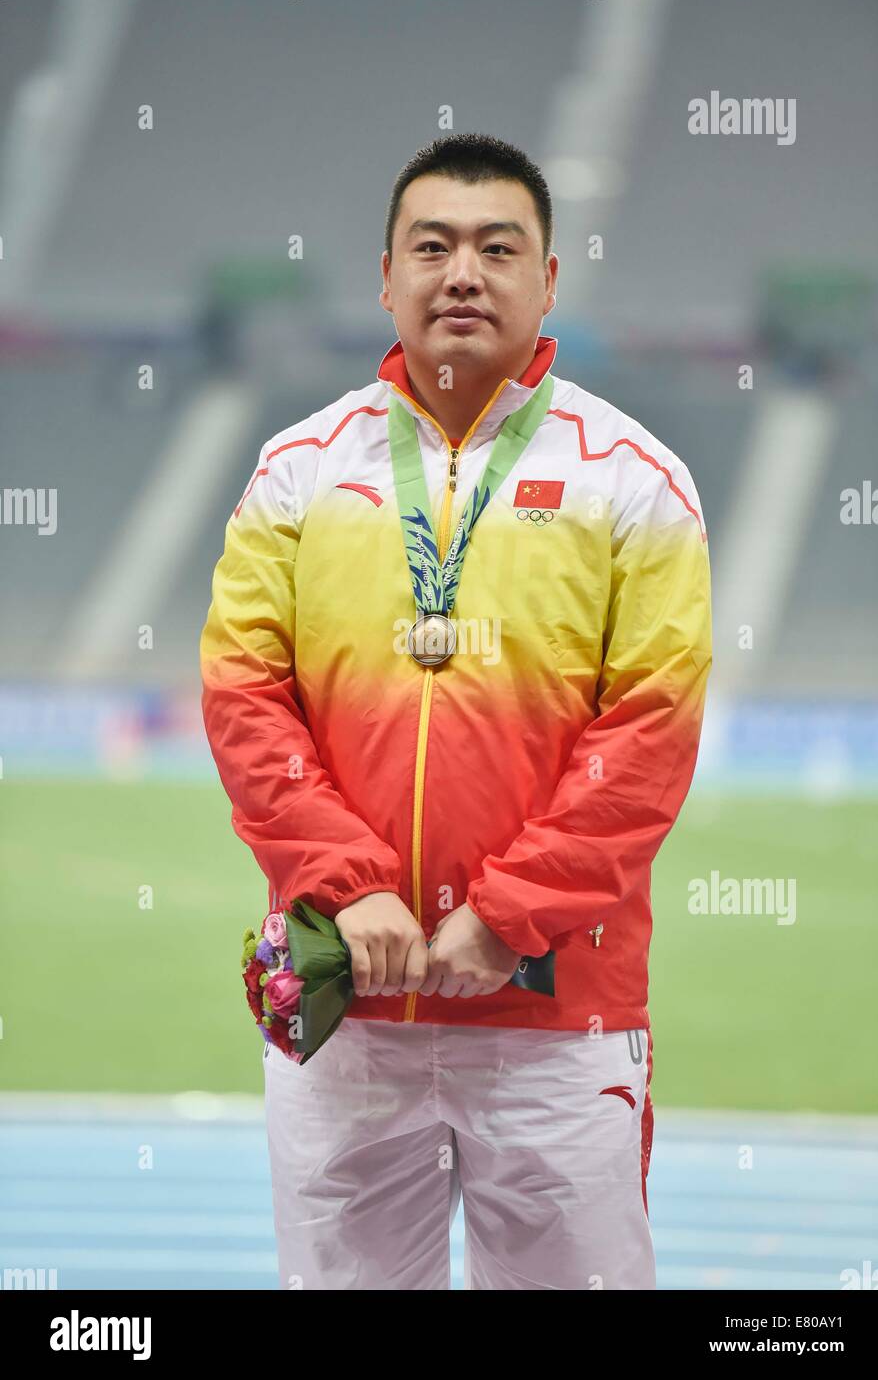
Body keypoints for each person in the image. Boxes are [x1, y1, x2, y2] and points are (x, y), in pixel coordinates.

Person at [199, 132, 712, 1290]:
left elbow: (648, 737)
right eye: (432, 246)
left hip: (556, 1013)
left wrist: (510, 913)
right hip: (349, 1009)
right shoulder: (297, 472)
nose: (463, 272)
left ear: (547, 280)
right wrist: (351, 881)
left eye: (498, 246)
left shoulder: (633, 480)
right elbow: (245, 705)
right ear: (387, 277)